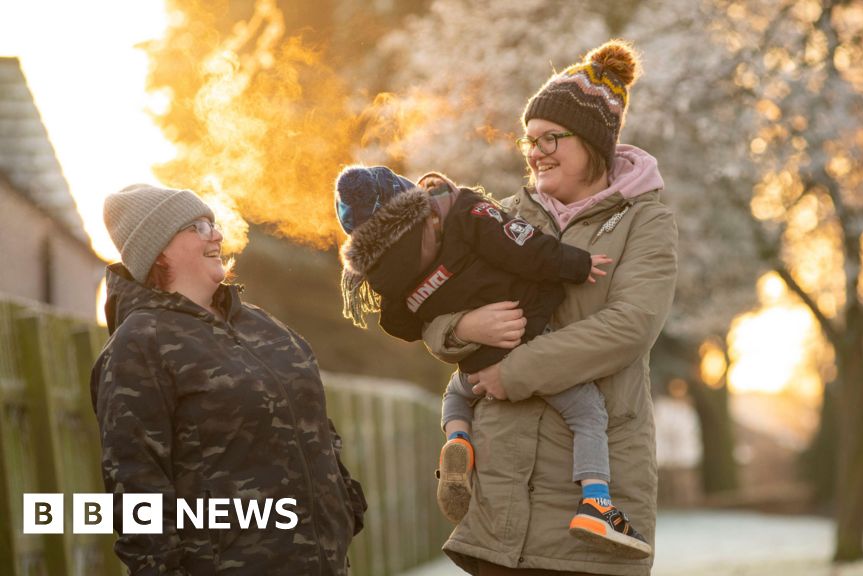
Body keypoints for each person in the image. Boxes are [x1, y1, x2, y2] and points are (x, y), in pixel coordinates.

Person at [421, 39, 678, 575]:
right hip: (500, 498)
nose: (535, 152)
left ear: (592, 143)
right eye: (529, 140)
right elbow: (434, 300)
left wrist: (513, 371)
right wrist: (465, 324)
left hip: (587, 502)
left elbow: (628, 328)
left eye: (550, 138)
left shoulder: (645, 221)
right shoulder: (503, 215)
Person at [334, 167, 649, 556]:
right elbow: (524, 248)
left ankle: (459, 439)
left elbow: (400, 324)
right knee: (587, 413)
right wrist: (577, 264)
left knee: (455, 397)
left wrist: (458, 322)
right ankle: (597, 502)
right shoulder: (465, 214)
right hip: (527, 333)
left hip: (474, 365)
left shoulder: (383, 273)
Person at [91, 184, 366, 575]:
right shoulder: (140, 345)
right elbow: (136, 489)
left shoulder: (262, 324)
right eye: (198, 227)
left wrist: (345, 500)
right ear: (159, 249)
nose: (217, 234)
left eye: (214, 223)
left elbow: (314, 419)